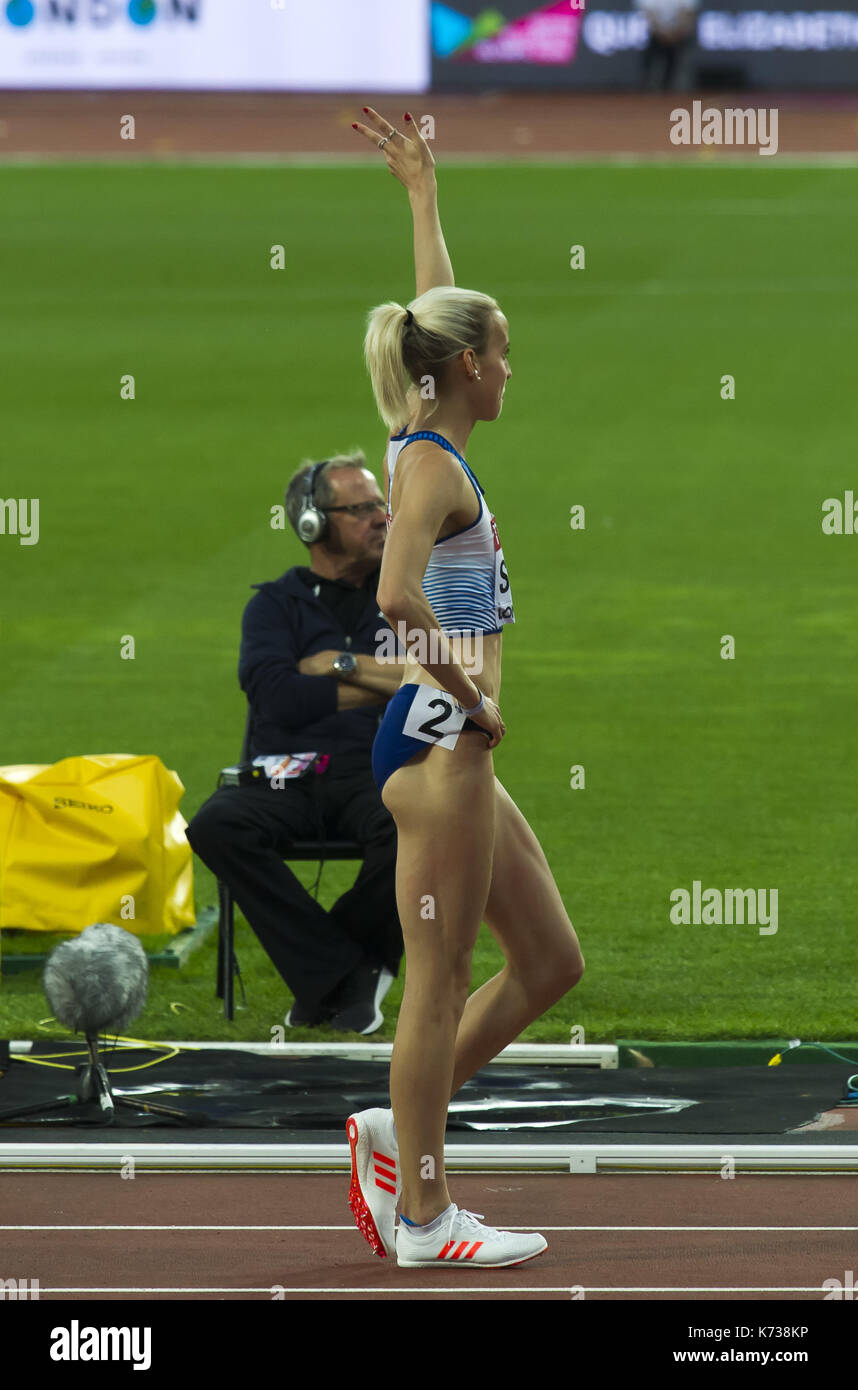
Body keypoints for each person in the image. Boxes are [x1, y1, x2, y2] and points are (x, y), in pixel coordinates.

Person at [345, 108, 585, 1268]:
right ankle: (425, 1215)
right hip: (441, 750)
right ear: (468, 371)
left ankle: (404, 1124)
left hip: (447, 748)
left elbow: (433, 310)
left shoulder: (415, 431)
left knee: (550, 964)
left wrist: (423, 197)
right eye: (503, 350)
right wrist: (472, 696)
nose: (510, 365)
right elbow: (396, 599)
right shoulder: (431, 469)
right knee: (435, 986)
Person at [185, 453, 406, 1034]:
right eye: (361, 509)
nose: (382, 517)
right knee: (215, 826)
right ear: (312, 523)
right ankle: (349, 972)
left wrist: (336, 664)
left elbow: (438, 678)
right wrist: (386, 677)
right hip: (282, 772)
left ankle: (332, 975)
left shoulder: (403, 597)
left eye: (381, 504)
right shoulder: (273, 606)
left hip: (370, 766)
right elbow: (278, 697)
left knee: (420, 822)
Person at [634, 0, 699, 91]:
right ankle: (648, 88)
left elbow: (687, 14)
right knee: (649, 59)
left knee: (677, 61)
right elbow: (649, 16)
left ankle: (675, 90)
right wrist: (662, 33)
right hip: (655, 34)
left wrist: (677, 32)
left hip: (678, 33)